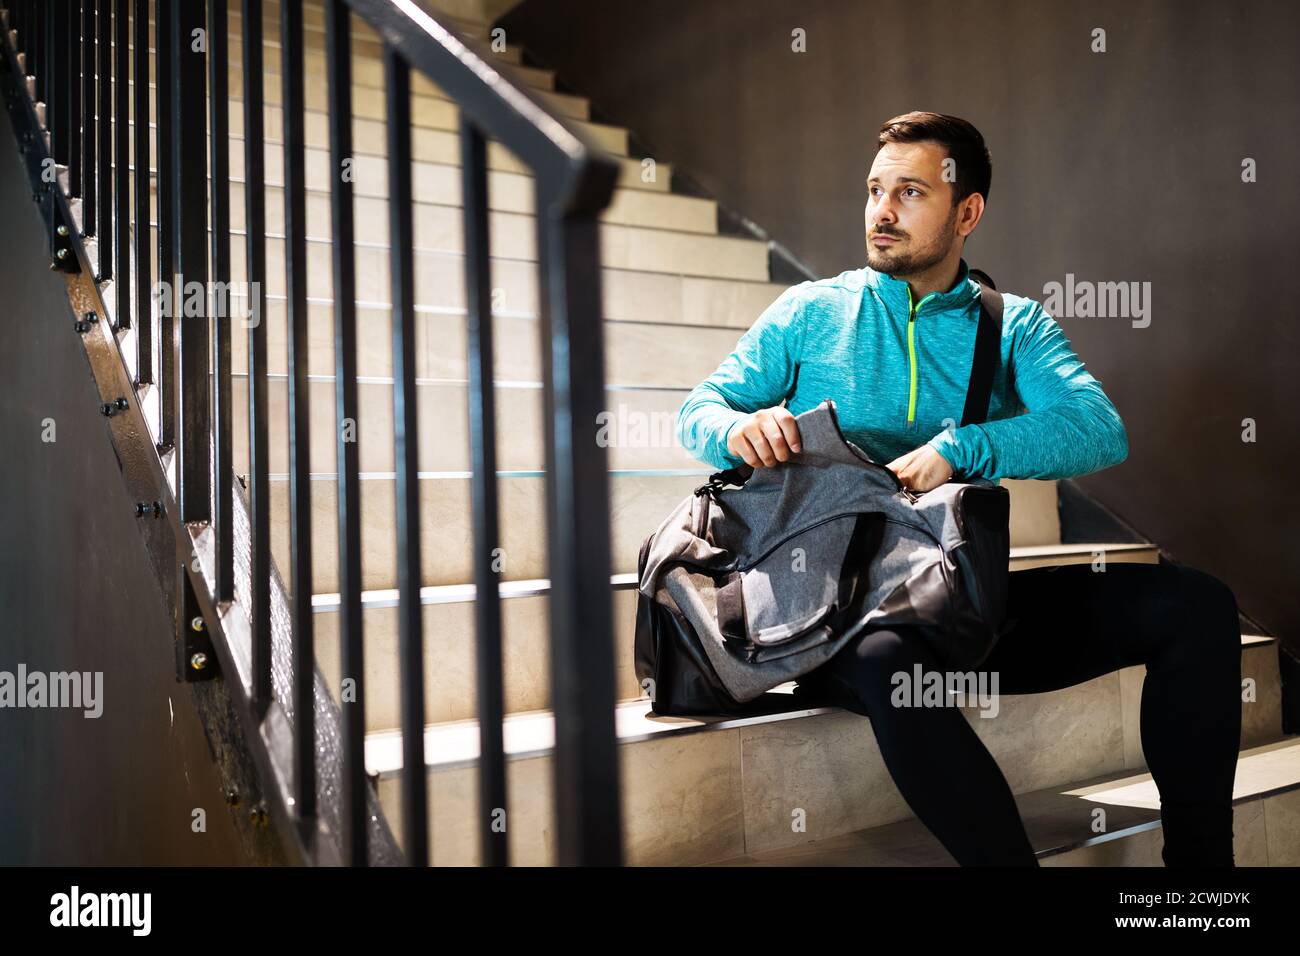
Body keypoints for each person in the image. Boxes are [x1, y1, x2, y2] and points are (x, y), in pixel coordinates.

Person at [675, 111, 1241, 867]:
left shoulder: (1012, 328)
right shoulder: (813, 312)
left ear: (966, 212)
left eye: (909, 192)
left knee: (1197, 605)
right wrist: (738, 429)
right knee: (887, 658)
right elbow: (697, 411)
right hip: (832, 614)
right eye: (875, 189)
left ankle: (1199, 895)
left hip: (954, 601)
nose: (881, 210)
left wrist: (966, 445)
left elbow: (1100, 429)